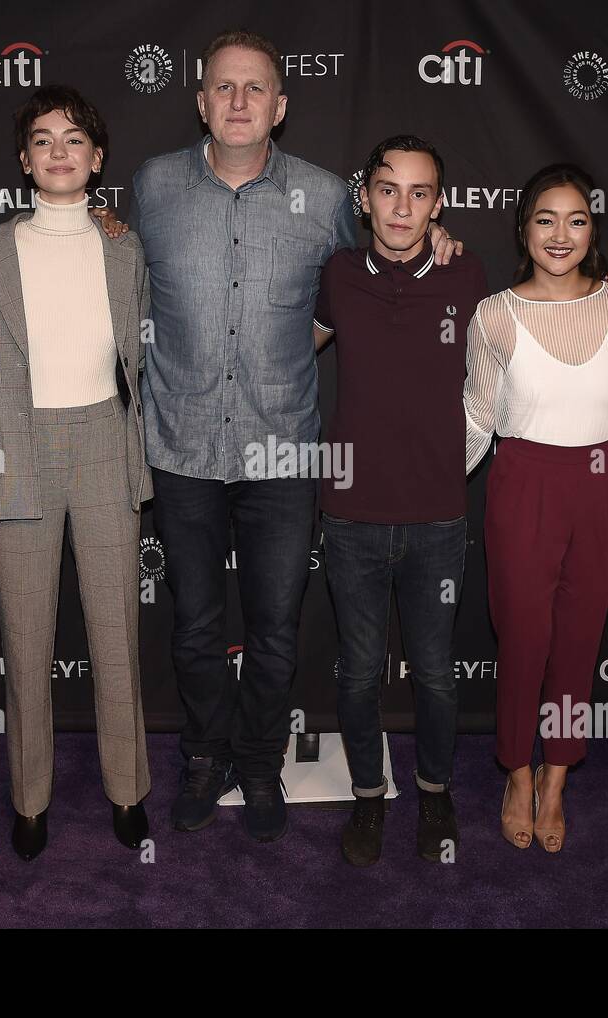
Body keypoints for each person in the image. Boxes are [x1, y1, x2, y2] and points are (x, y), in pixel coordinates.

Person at [129, 30, 461, 842]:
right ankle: (204, 757)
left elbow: (372, 282)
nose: (239, 101)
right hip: (182, 448)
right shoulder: (153, 186)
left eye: (256, 89)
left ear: (280, 105)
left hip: (284, 452)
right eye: (223, 87)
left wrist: (443, 250)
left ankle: (256, 758)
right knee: (198, 626)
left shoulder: (325, 197)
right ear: (201, 99)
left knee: (277, 628)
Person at [0, 85, 153, 860]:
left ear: (97, 158)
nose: (59, 151)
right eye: (42, 140)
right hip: (18, 447)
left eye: (74, 139)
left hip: (105, 439)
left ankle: (128, 790)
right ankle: (30, 800)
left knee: (117, 637)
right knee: (26, 636)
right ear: (23, 160)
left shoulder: (124, 245)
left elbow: (137, 355)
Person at [464, 164, 608, 856]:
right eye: (546, 219)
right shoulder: (494, 314)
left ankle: (558, 774)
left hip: (599, 483)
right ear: (524, 228)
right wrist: (419, 485)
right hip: (522, 483)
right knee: (523, 641)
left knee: (579, 641)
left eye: (576, 220)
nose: (561, 234)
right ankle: (517, 773)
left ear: (593, 229)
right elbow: (478, 421)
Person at [313, 136, 488, 865]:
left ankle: (435, 792)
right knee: (357, 675)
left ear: (438, 205)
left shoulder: (466, 274)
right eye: (388, 189)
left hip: (439, 515)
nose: (403, 206)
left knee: (437, 674)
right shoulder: (339, 275)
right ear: (364, 198)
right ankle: (366, 800)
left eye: (420, 193)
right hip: (351, 515)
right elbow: (293, 349)